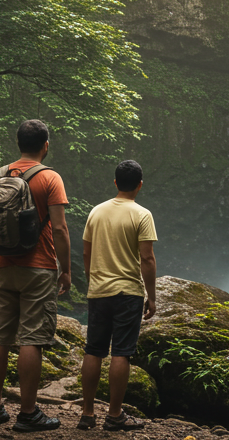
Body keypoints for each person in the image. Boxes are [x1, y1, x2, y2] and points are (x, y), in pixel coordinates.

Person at [0, 119, 71, 431]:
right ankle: (29, 412)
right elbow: (59, 227)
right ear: (45, 145)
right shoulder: (50, 178)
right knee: (32, 337)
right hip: (39, 265)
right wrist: (67, 269)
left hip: (2, 265)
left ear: (18, 143)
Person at [77, 159, 157, 431]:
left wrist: (93, 281)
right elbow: (147, 258)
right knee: (121, 352)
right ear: (140, 185)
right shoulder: (142, 214)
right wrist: (152, 296)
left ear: (115, 183)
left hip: (99, 291)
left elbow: (86, 253)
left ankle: (87, 413)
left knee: (93, 350)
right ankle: (114, 415)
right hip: (128, 293)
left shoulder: (96, 212)